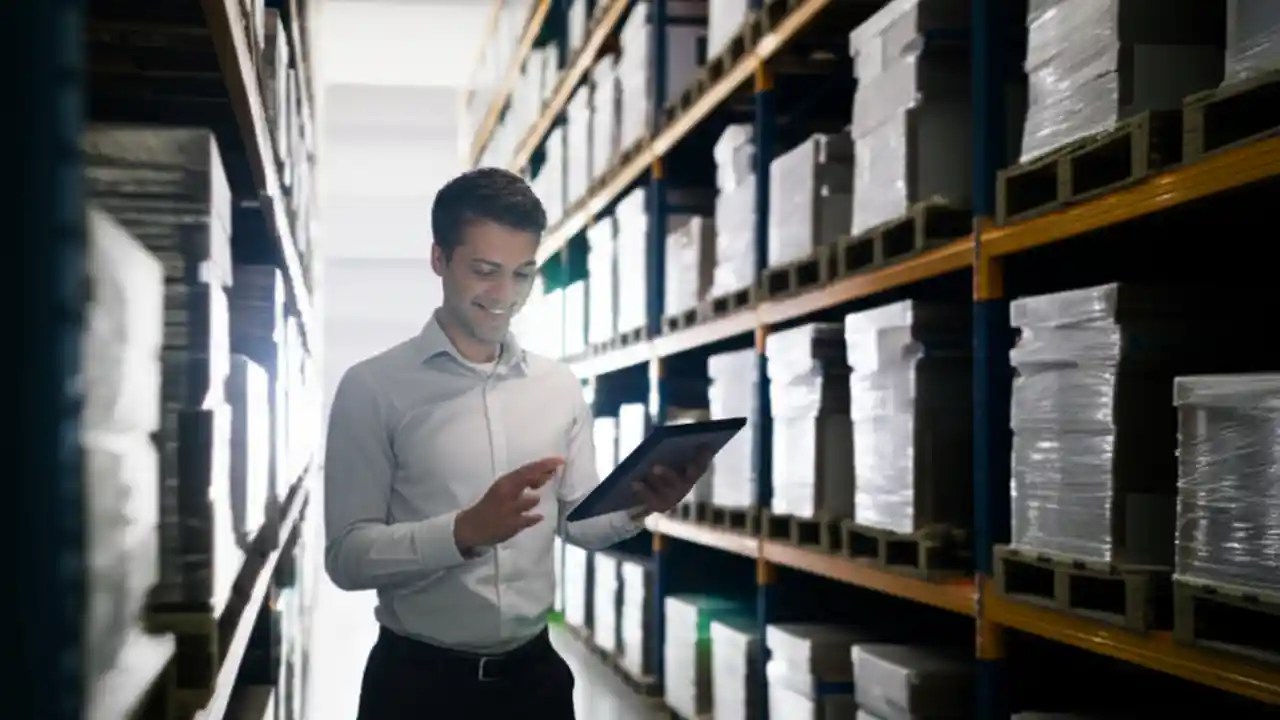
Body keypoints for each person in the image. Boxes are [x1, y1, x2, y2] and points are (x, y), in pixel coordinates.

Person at [324, 168, 709, 720]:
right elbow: (347, 557)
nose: (505, 295)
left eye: (522, 274)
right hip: (418, 687)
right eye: (485, 271)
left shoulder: (557, 386)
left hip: (535, 684)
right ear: (439, 259)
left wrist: (639, 504)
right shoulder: (372, 388)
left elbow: (577, 524)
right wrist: (463, 531)